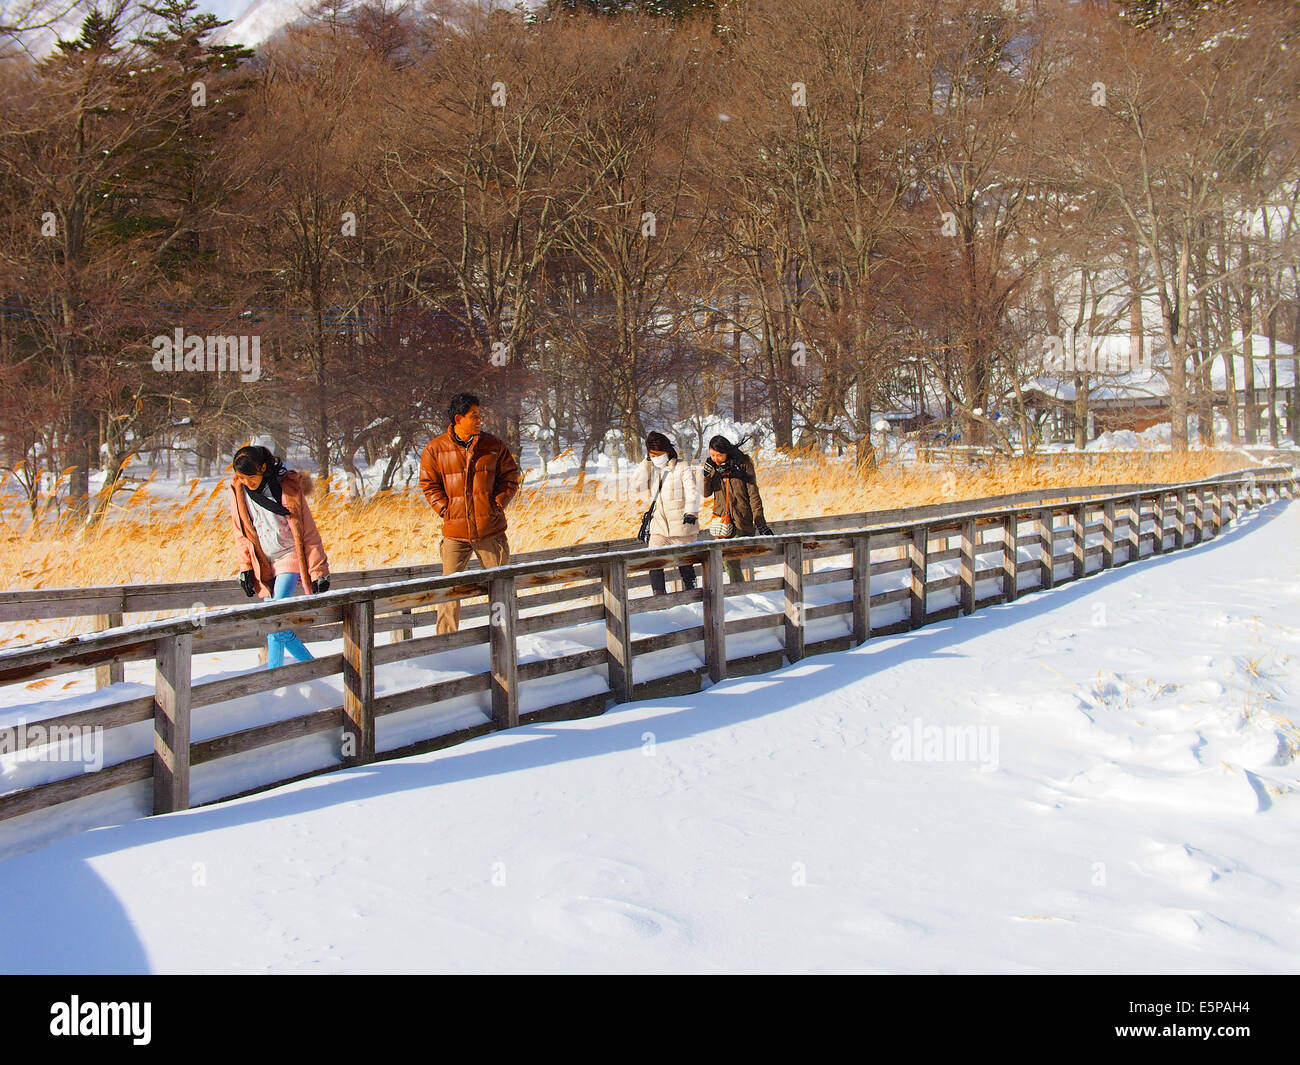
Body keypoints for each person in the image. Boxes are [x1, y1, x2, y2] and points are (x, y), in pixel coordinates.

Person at [420, 392, 521, 634]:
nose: (479, 420)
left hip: (491, 531)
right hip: (454, 533)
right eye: (474, 416)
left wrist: (496, 504)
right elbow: (428, 483)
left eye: (479, 416)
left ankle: (505, 638)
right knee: (448, 593)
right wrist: (445, 509)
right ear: (458, 418)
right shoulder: (435, 449)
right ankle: (446, 645)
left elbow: (511, 477)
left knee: (500, 589)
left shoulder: (493, 445)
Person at [229, 444, 330, 670]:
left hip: (289, 556)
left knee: (275, 620)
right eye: (241, 478)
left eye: (251, 479)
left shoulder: (287, 487)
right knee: (272, 624)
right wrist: (246, 568)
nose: (246, 483)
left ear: (263, 468)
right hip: (263, 562)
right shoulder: (239, 491)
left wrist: (319, 571)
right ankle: (290, 673)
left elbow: (309, 532)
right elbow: (241, 534)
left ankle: (307, 670)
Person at [702, 434, 773, 584]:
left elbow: (753, 494)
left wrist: (760, 523)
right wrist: (706, 476)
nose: (715, 459)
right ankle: (739, 594)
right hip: (722, 522)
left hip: (741, 521)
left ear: (727, 451)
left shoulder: (743, 464)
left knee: (729, 559)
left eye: (719, 455)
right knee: (725, 560)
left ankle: (739, 595)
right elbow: (705, 493)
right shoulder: (712, 466)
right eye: (712, 455)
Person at [638, 431, 700, 596]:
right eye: (652, 454)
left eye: (659, 454)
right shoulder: (652, 469)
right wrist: (646, 462)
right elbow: (637, 485)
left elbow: (692, 491)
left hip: (681, 526)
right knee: (654, 560)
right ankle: (659, 596)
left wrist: (691, 512)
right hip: (659, 527)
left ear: (667, 451)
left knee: (684, 563)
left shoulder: (682, 466)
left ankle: (692, 593)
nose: (656, 457)